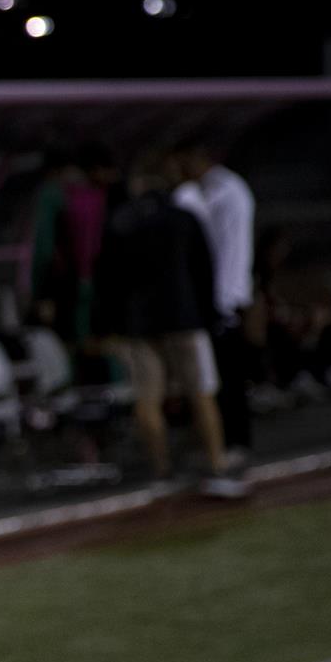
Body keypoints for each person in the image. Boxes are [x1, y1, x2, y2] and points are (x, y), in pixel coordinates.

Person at [93, 155, 245, 497]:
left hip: (138, 324)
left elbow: (106, 279)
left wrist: (109, 325)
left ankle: (162, 473)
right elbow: (204, 270)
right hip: (183, 317)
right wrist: (209, 315)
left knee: (148, 398)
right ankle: (216, 466)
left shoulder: (121, 221)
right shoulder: (183, 218)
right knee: (201, 392)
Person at [172, 142, 257, 464]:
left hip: (225, 297)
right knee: (220, 377)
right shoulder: (218, 190)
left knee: (229, 378)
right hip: (223, 295)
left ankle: (236, 442)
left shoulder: (223, 191)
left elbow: (220, 245)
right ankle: (221, 441)